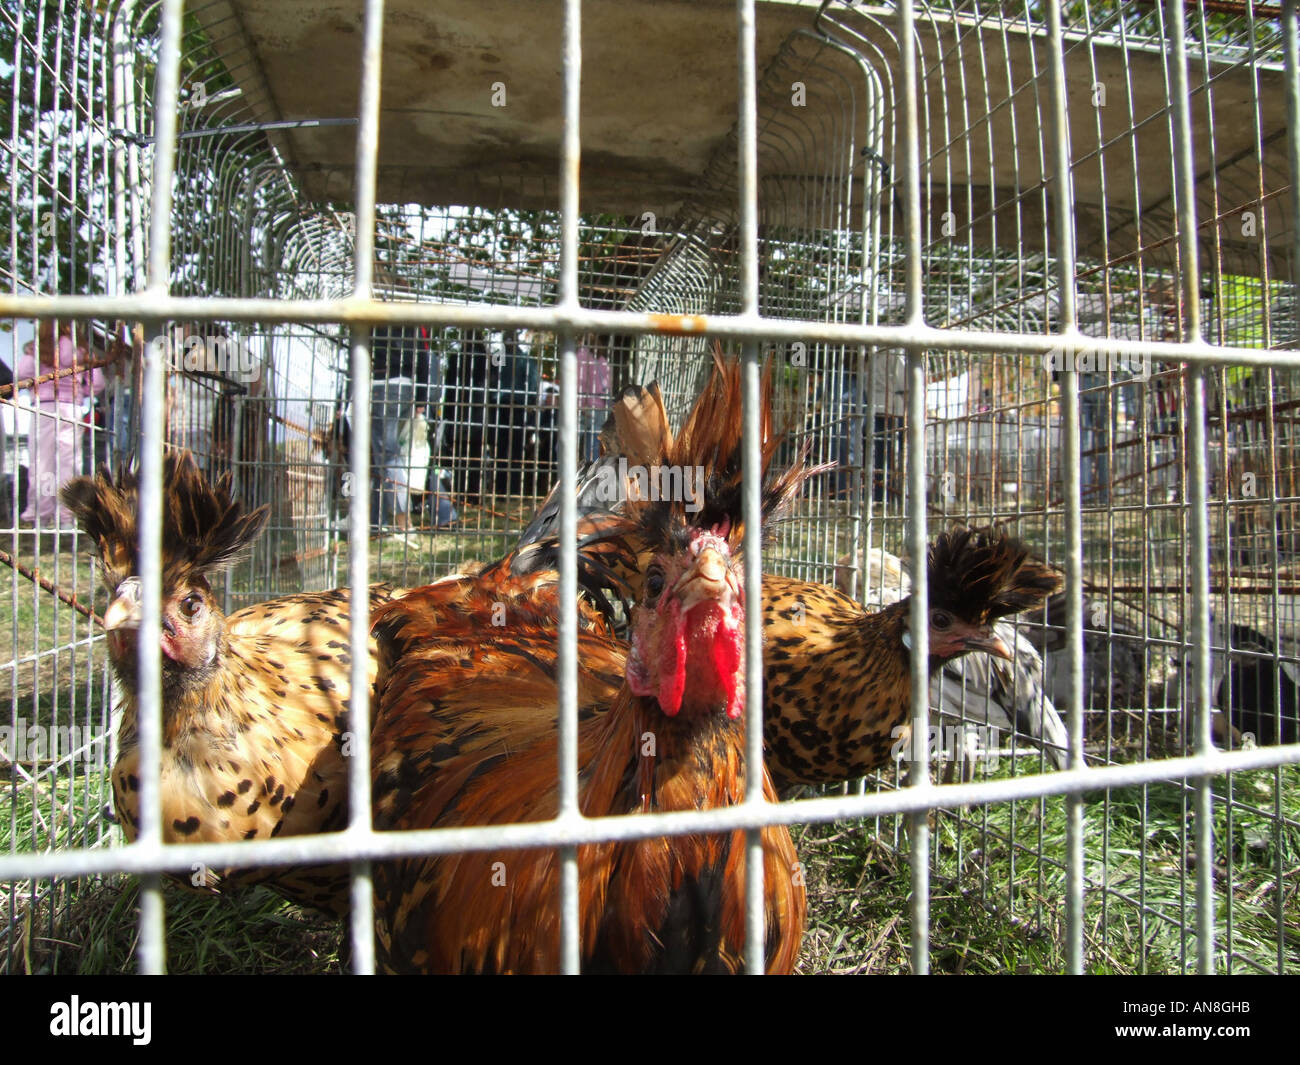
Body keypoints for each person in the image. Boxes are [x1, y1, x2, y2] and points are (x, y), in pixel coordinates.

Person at [16, 319, 106, 528]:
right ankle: (67, 516)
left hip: (43, 407)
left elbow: (22, 373)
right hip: (71, 409)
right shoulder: (81, 351)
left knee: (41, 462)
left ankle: (39, 515)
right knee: (69, 462)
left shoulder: (37, 348)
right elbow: (98, 384)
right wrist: (82, 394)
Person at [369, 323, 440, 530]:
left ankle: (403, 522)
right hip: (405, 387)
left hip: (385, 385)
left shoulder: (378, 316)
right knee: (387, 457)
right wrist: (420, 398)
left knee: (387, 456)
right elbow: (425, 358)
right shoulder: (416, 321)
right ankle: (377, 521)